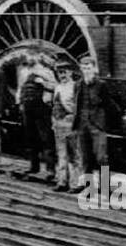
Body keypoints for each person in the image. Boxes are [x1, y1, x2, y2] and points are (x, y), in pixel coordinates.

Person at [70, 57, 120, 189]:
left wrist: (108, 124)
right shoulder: (77, 85)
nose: (86, 71)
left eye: (89, 68)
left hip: (97, 126)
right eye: (84, 68)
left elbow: (108, 105)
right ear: (81, 69)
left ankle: (104, 186)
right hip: (82, 124)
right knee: (85, 157)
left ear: (94, 68)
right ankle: (87, 184)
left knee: (101, 157)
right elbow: (77, 104)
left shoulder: (101, 85)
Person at [17, 57, 55, 177]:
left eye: (33, 56)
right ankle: (34, 167)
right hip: (28, 108)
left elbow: (55, 86)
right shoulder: (23, 72)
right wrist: (19, 102)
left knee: (46, 138)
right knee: (31, 138)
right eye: (28, 56)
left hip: (42, 108)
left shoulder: (46, 72)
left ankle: (50, 169)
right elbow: (20, 88)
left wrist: (43, 83)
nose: (30, 58)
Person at [49, 63, 79, 190]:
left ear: (71, 72)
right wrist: (53, 122)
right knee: (61, 154)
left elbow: (79, 106)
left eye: (64, 72)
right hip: (58, 125)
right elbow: (54, 105)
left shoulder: (76, 87)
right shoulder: (58, 87)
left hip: (71, 124)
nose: (62, 75)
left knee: (74, 156)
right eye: (60, 73)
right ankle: (62, 182)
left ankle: (75, 184)